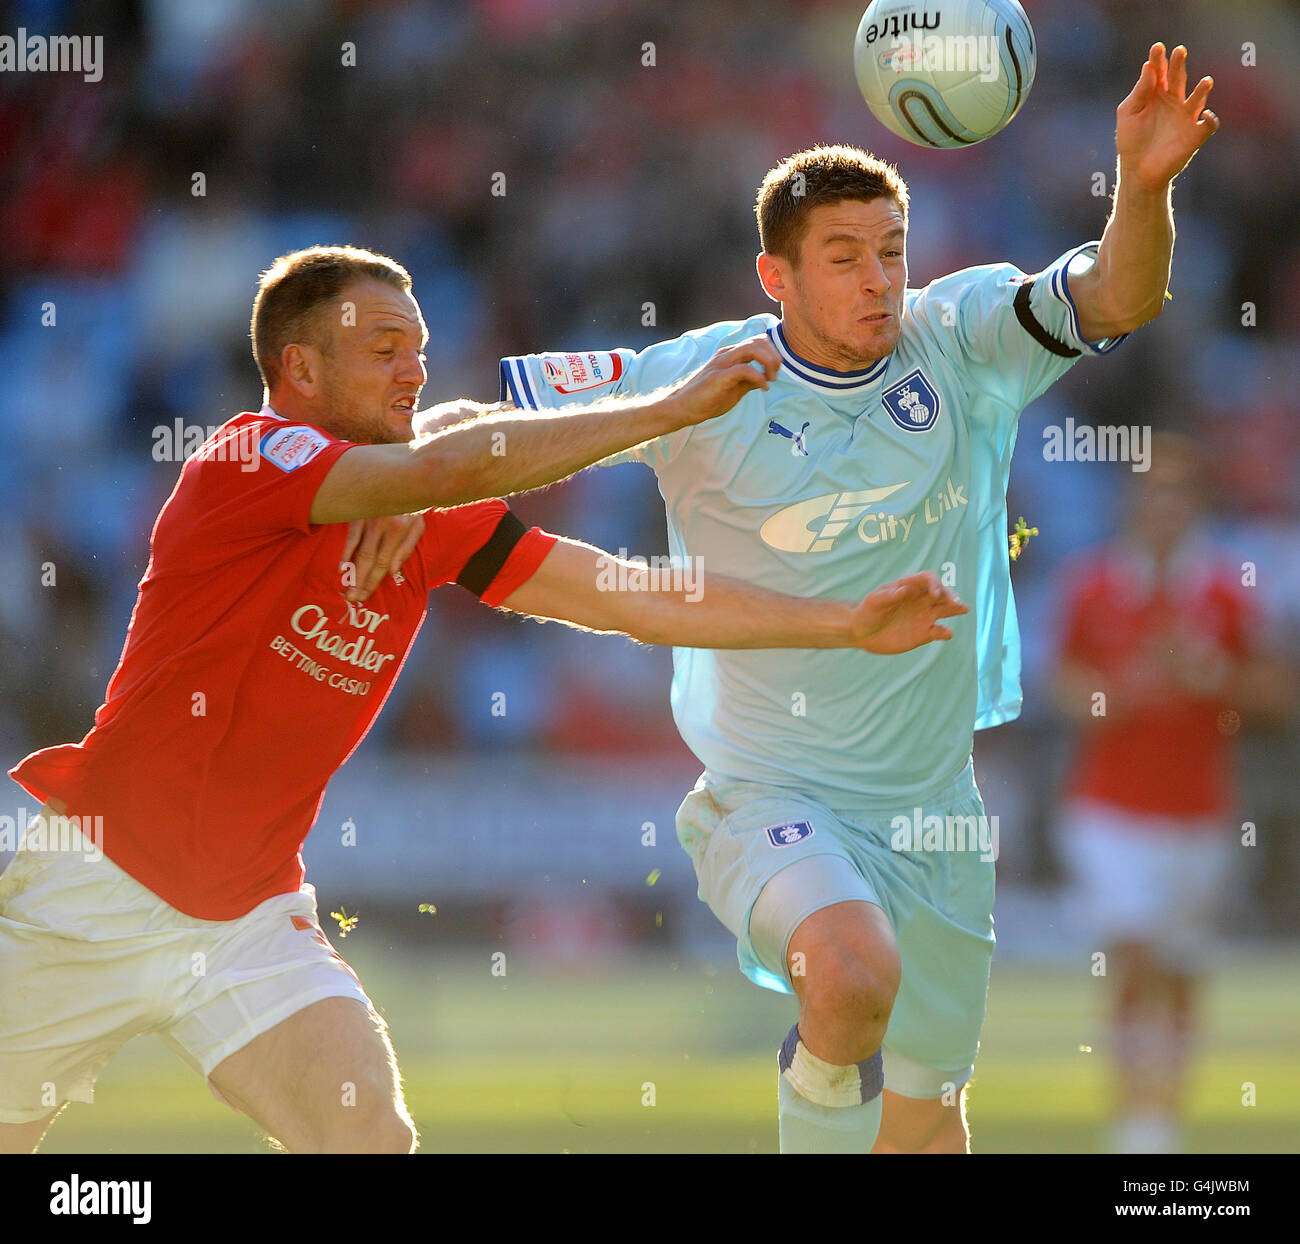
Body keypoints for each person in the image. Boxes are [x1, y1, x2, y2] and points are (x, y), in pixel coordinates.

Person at [0, 245, 969, 1154]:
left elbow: (619, 592)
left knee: (370, 1136)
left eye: (419, 351)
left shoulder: (427, 514)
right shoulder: (248, 458)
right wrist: (668, 409)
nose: (414, 373)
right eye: (383, 352)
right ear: (298, 368)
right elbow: (438, 461)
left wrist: (838, 620)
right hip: (94, 888)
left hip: (245, 916)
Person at [493, 44, 1220, 1152]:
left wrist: (1145, 185)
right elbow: (503, 421)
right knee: (845, 969)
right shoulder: (707, 374)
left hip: (934, 812)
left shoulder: (960, 335)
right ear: (774, 278)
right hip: (768, 793)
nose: (879, 278)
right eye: (843, 257)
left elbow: (1121, 293)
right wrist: (394, 487)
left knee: (926, 1128)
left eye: (890, 251)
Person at [1052, 432, 1291, 1154]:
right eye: (1155, 493)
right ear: (1133, 502)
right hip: (1110, 805)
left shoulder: (1225, 590)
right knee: (1134, 952)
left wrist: (1212, 676)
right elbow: (1063, 684)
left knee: (1182, 967)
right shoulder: (1093, 584)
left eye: (1180, 493)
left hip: (1198, 809)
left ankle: (1164, 1112)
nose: (1167, 507)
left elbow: (1277, 694)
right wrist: (1112, 697)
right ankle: (1138, 1121)